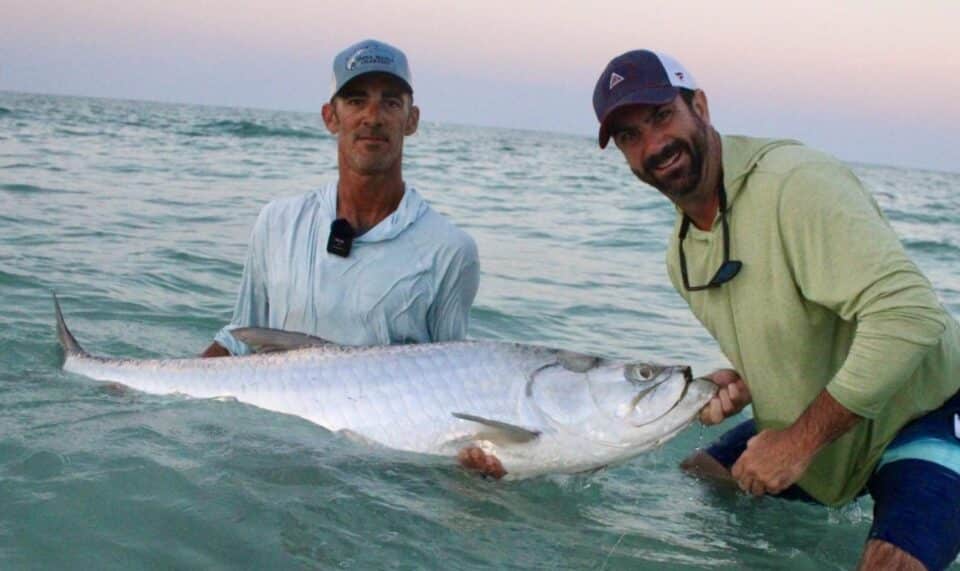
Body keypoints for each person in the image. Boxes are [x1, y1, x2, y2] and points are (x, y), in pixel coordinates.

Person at [588, 49, 960, 570]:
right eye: (629, 135)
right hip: (839, 430)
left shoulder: (795, 182)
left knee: (890, 564)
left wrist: (797, 443)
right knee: (699, 479)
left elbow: (910, 315)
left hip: (925, 411)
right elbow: (805, 329)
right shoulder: (681, 259)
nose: (653, 144)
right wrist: (747, 384)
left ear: (700, 105)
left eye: (662, 116)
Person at [202, 39, 479, 357]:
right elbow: (239, 338)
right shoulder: (277, 222)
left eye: (390, 103)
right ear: (330, 116)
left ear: (412, 119)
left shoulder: (451, 250)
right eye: (356, 101)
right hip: (271, 407)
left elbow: (447, 372)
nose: (372, 117)